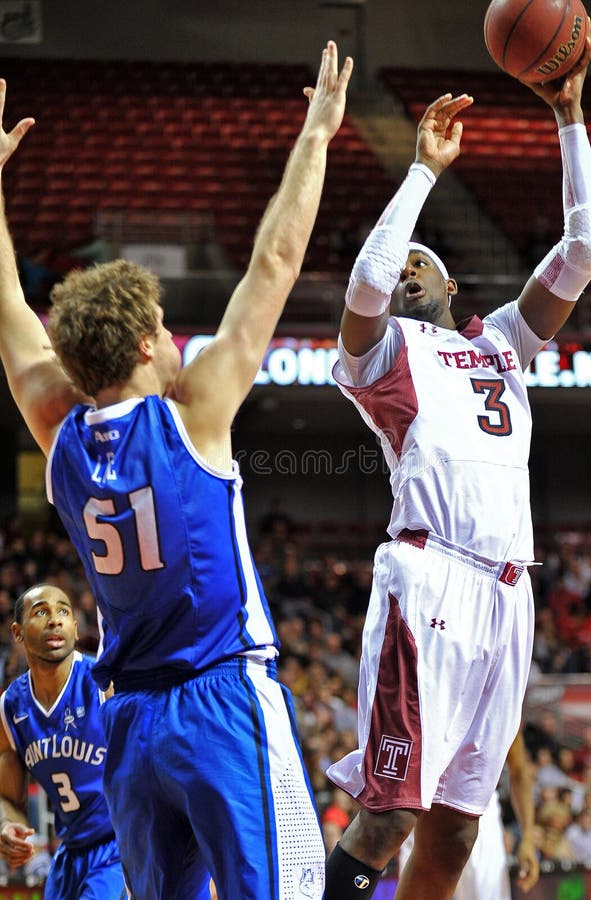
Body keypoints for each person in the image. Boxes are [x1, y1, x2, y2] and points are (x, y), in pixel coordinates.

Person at [0, 42, 352, 899]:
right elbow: (273, 265)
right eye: (162, 323)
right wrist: (316, 138)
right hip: (221, 698)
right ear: (150, 344)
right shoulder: (193, 414)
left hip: (128, 723)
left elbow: (7, 307)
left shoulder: (61, 432)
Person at [324, 26, 591, 900]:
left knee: (453, 833)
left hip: (508, 593)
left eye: (424, 265)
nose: (407, 272)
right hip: (430, 579)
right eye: (403, 265)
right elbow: (366, 286)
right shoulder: (387, 356)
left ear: (456, 290)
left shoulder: (503, 343)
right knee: (388, 818)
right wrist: (421, 173)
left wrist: (569, 116)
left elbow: (587, 244)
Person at [0, 584, 126, 899]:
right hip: (70, 851)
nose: (55, 619)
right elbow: (8, 798)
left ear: (74, 627)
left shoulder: (104, 684)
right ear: (18, 632)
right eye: (41, 611)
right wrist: (6, 825)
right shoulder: (10, 707)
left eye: (64, 611)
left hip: (120, 846)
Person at [399, 728, 540, 899]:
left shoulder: (500, 702)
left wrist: (528, 839)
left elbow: (519, 771)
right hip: (421, 807)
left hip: (478, 812)